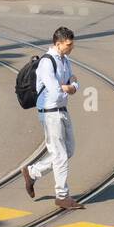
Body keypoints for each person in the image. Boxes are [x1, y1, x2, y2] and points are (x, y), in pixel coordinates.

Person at [23, 27, 83, 211]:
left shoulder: (65, 61)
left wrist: (70, 86)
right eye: (68, 44)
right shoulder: (47, 63)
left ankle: (32, 172)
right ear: (58, 44)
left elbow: (74, 81)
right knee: (60, 154)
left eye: (72, 44)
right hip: (50, 112)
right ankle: (62, 196)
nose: (71, 47)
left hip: (62, 110)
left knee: (69, 150)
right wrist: (69, 87)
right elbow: (55, 90)